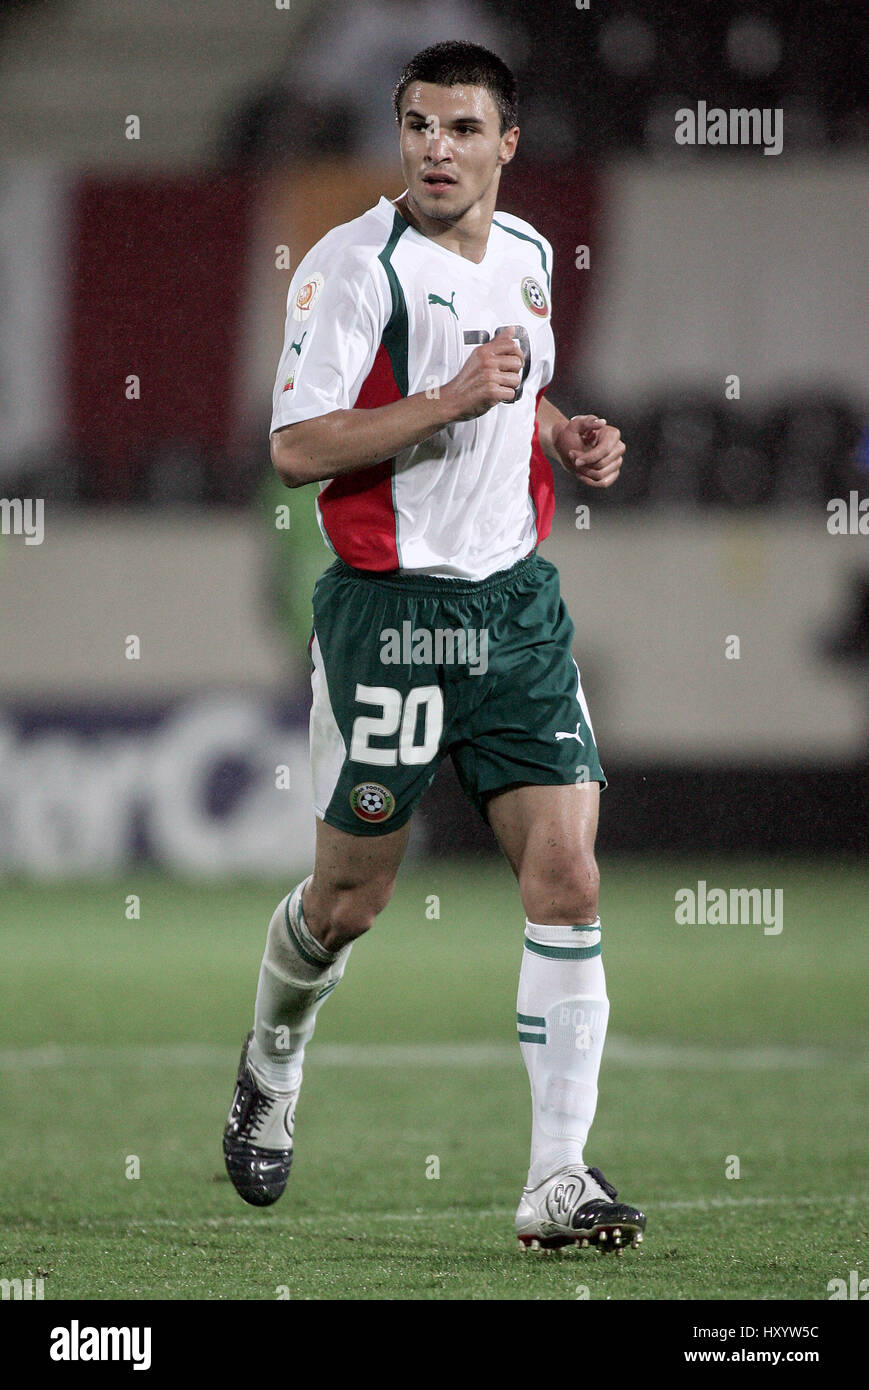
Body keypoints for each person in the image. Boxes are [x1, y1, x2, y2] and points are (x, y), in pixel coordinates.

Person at [223, 40, 645, 1254]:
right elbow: (298, 450)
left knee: (565, 875)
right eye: (417, 126)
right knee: (350, 901)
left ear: (507, 143)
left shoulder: (521, 256)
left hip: (513, 608)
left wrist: (561, 434)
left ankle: (554, 1178)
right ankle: (272, 1058)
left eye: (463, 129)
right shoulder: (351, 268)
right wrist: (448, 404)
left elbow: (516, 383)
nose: (435, 149)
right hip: (389, 615)